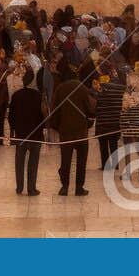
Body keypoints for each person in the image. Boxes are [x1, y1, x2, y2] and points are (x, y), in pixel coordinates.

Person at [50, 66, 95, 196]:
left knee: (66, 159)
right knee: (81, 161)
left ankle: (64, 187)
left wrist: (56, 126)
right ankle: (79, 187)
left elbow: (54, 111)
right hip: (81, 131)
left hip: (65, 131)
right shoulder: (82, 88)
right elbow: (90, 109)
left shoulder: (60, 89)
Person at [8, 72, 44, 196]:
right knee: (33, 163)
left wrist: (13, 129)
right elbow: (43, 115)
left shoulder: (16, 95)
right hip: (35, 134)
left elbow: (11, 116)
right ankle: (31, 188)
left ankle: (19, 187)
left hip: (20, 134)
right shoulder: (38, 96)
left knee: (19, 162)